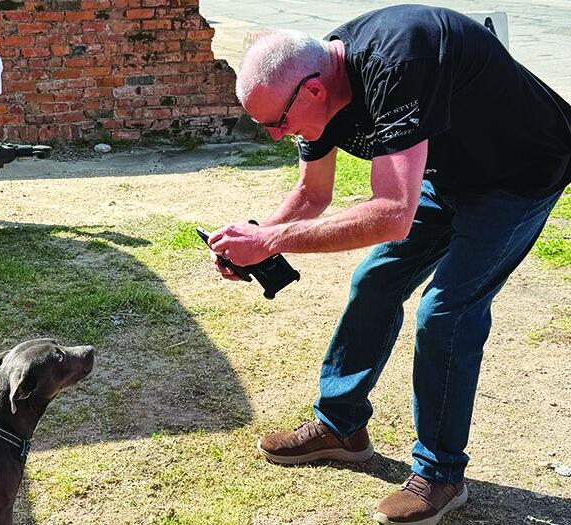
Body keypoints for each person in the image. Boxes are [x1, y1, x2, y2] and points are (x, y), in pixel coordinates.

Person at [211, 5, 571, 525]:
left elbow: (392, 215)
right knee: (374, 281)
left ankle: (440, 474)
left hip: (519, 176)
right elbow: (313, 194)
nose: (274, 135)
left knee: (446, 313)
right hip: (449, 173)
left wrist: (269, 241)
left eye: (277, 123)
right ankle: (341, 426)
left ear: (314, 90)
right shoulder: (312, 80)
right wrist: (258, 242)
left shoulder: (399, 62)